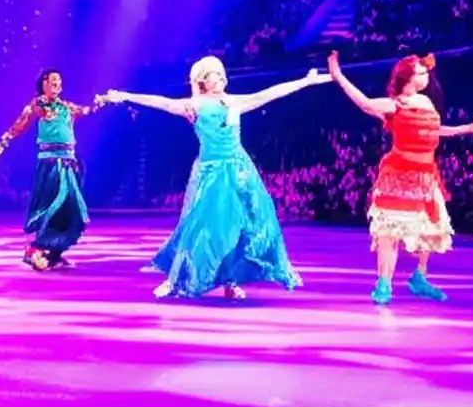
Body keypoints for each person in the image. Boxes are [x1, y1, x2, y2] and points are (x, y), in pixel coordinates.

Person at [100, 57, 327, 299]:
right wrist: (126, 95)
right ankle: (175, 279)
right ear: (202, 81)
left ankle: (230, 281)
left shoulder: (233, 102)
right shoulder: (194, 105)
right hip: (211, 172)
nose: (220, 77)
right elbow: (162, 102)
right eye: (214, 74)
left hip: (239, 172)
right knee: (198, 227)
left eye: (221, 73)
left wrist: (306, 81)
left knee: (239, 228)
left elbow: (270, 93)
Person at [327, 51, 473, 305]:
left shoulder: (426, 103)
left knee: (429, 227)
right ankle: (383, 283)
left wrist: (469, 128)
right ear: (408, 77)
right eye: (421, 72)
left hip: (425, 175)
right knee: (390, 230)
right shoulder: (397, 104)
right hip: (399, 175)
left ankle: (419, 277)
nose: (427, 74)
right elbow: (365, 103)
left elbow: (433, 130)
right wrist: (338, 76)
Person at [0, 69, 96, 271]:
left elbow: (87, 110)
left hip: (69, 162)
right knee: (52, 207)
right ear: (44, 84)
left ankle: (54, 252)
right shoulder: (38, 106)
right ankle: (34, 249)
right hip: (51, 163)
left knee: (72, 210)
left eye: (59, 81)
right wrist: (3, 143)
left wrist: (106, 101)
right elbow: (20, 124)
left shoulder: (67, 107)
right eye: (53, 81)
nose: (57, 84)